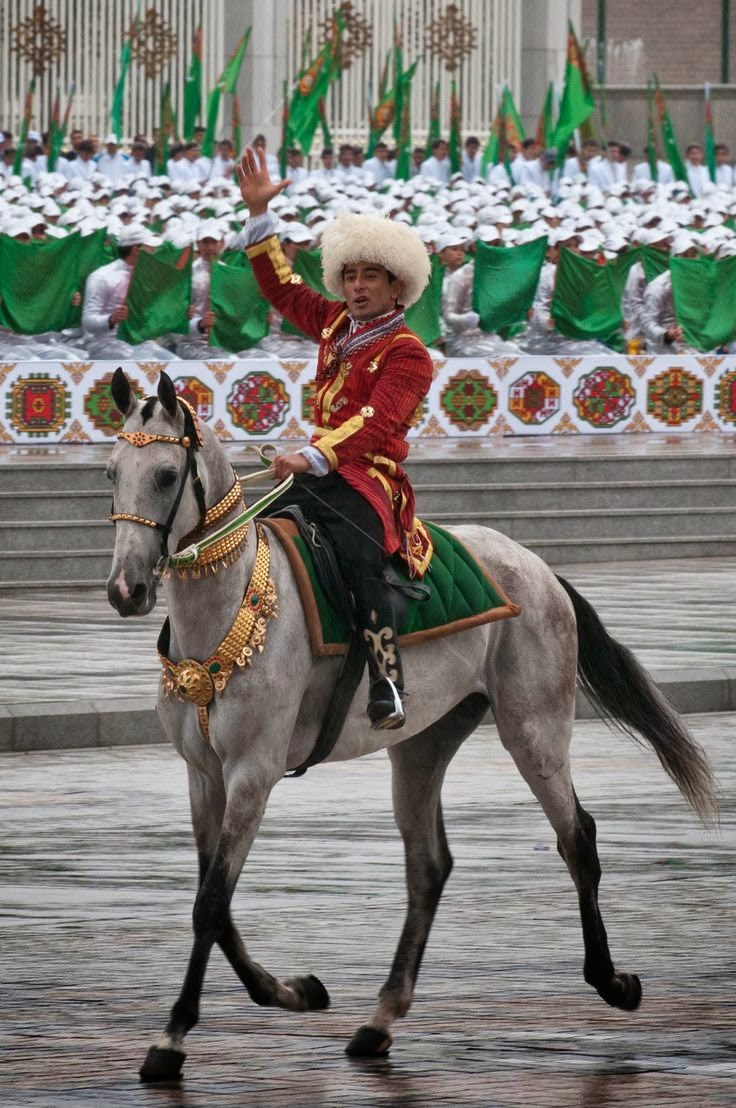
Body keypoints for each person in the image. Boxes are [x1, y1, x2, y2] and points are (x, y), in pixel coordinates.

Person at [238, 144, 434, 731]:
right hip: (312, 468)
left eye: (369, 275)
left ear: (397, 286)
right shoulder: (335, 324)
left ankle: (388, 684)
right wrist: (257, 217)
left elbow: (375, 420)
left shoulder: (409, 353)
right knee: (241, 539)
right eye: (349, 274)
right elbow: (281, 288)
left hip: (368, 479)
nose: (356, 286)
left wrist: (313, 453)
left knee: (356, 557)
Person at [81, 225, 177, 359]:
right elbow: (88, 321)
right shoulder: (102, 277)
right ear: (135, 249)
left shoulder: (146, 276)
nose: (153, 250)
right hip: (106, 343)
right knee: (147, 364)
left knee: (174, 363)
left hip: (138, 342)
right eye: (148, 246)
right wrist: (111, 319)